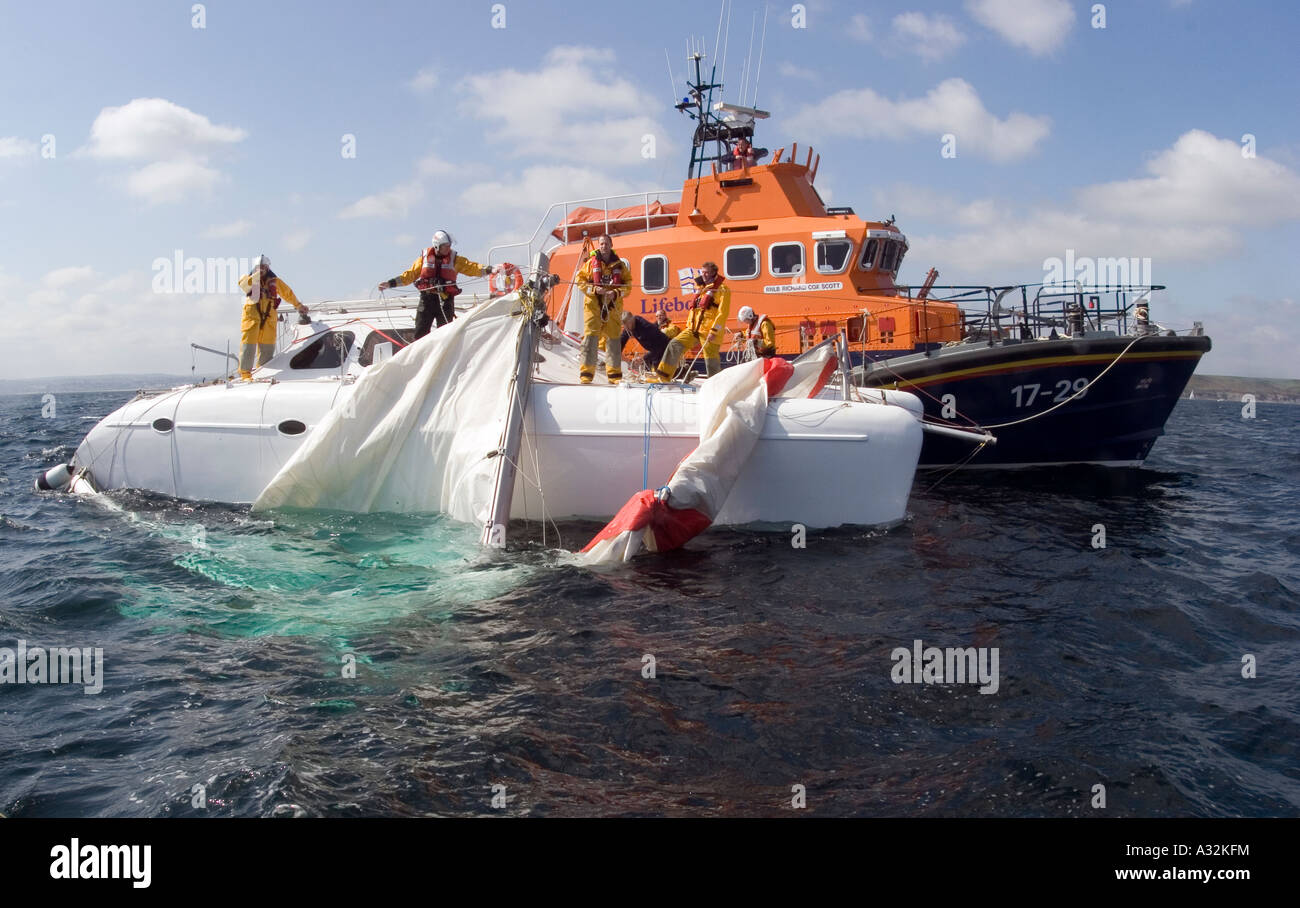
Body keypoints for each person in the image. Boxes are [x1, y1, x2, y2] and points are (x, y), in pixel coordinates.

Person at [379, 230, 494, 338]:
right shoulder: (423, 260)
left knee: (445, 335)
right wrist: (390, 284)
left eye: (449, 245)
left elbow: (472, 268)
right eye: (446, 246)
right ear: (437, 246)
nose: (449, 248)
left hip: (445, 301)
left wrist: (490, 269)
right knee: (420, 334)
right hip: (427, 300)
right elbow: (409, 275)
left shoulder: (456, 260)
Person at [236, 254, 309, 381]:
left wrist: (298, 305)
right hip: (252, 318)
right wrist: (258, 274)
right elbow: (244, 286)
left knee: (268, 346)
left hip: (269, 318)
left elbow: (287, 293)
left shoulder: (275, 281)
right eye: (260, 266)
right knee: (249, 344)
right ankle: (245, 374)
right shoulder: (248, 278)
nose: (262, 268)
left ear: (268, 267)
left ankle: (263, 371)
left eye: (264, 266)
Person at [656, 261, 730, 381]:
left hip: (709, 331)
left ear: (713, 273)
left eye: (707, 273)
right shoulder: (700, 288)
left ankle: (715, 384)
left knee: (711, 360)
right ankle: (663, 376)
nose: (704, 275)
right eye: (703, 272)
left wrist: (714, 330)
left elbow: (723, 313)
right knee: (674, 344)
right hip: (693, 329)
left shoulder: (723, 290)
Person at [575, 235, 629, 384]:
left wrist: (616, 293)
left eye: (606, 243)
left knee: (613, 341)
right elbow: (580, 280)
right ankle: (586, 374)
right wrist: (593, 289)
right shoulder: (590, 265)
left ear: (611, 244)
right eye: (601, 243)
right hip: (593, 306)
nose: (603, 246)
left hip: (612, 307)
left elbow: (628, 286)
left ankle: (614, 376)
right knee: (591, 339)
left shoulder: (620, 266)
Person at [619, 309, 672, 373]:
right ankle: (650, 375)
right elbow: (622, 340)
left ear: (632, 320)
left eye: (627, 325)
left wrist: (641, 358)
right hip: (654, 348)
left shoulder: (645, 327)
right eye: (624, 325)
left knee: (657, 366)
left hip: (664, 345)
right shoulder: (629, 327)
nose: (626, 327)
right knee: (646, 360)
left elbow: (657, 346)